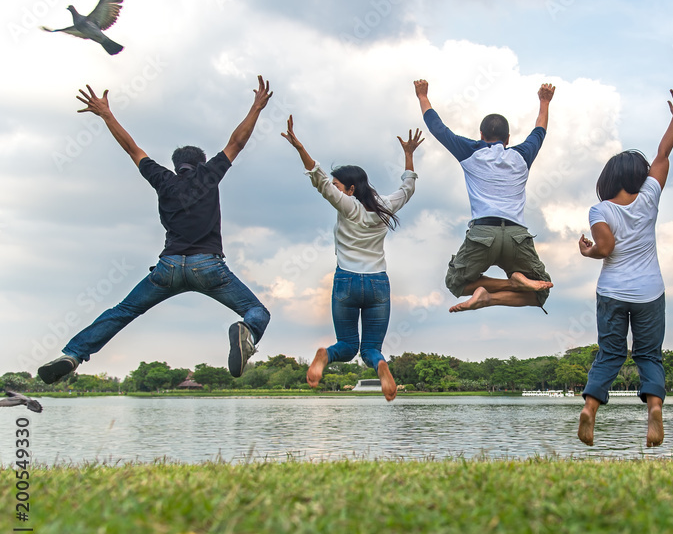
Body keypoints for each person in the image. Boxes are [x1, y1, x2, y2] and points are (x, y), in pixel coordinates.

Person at [37, 76, 275, 385]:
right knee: (256, 311)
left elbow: (131, 148)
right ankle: (248, 333)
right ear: (201, 163)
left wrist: (107, 114)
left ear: (177, 166)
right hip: (209, 266)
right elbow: (237, 142)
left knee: (122, 311)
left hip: (168, 267)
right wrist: (256, 107)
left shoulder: (163, 179)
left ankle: (73, 354)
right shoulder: (209, 174)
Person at [280, 116, 422, 401]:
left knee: (345, 345)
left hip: (346, 281)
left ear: (351, 189)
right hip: (378, 284)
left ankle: (325, 355)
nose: (333, 188)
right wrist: (408, 155)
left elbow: (318, 178)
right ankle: (381, 365)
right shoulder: (385, 205)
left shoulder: (347, 206)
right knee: (370, 349)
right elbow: (408, 187)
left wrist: (300, 148)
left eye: (337, 185)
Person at [577, 88, 673, 449]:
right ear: (638, 176)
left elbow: (606, 247)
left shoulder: (601, 210)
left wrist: (589, 252)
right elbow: (663, 154)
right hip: (649, 292)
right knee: (648, 355)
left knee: (610, 354)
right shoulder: (650, 196)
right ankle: (654, 408)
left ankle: (591, 409)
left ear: (609, 178)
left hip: (611, 292)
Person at [413, 79, 555, 313]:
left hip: (483, 234)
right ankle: (511, 285)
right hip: (517, 236)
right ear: (508, 138)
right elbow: (539, 131)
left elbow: (438, 128)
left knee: (455, 282)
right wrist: (544, 102)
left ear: (480, 134)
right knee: (541, 292)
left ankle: (493, 292)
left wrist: (422, 96)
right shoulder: (522, 155)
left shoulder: (470, 151)